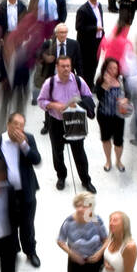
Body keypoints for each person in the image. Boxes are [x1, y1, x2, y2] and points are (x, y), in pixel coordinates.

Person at [0, 112, 42, 267]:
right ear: (8, 125)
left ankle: (30, 251)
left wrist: (24, 146)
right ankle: (13, 250)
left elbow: (37, 160)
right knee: (10, 224)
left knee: (28, 224)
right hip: (6, 194)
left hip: (26, 191)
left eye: (21, 126)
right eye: (15, 124)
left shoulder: (28, 139)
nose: (18, 128)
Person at [39, 54, 96, 193]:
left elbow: (88, 96)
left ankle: (85, 180)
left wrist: (79, 104)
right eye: (63, 66)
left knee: (79, 153)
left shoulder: (78, 81)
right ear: (57, 67)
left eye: (68, 66)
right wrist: (53, 105)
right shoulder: (49, 83)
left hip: (75, 121)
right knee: (57, 152)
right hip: (57, 122)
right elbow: (41, 101)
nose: (66, 69)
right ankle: (61, 177)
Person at [95, 56, 130, 173]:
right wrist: (106, 84)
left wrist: (126, 100)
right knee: (105, 139)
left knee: (119, 141)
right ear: (106, 68)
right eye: (110, 68)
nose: (113, 70)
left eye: (115, 68)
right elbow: (98, 96)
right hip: (104, 115)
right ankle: (108, 160)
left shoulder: (122, 79)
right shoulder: (100, 80)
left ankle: (118, 161)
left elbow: (129, 94)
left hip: (119, 116)